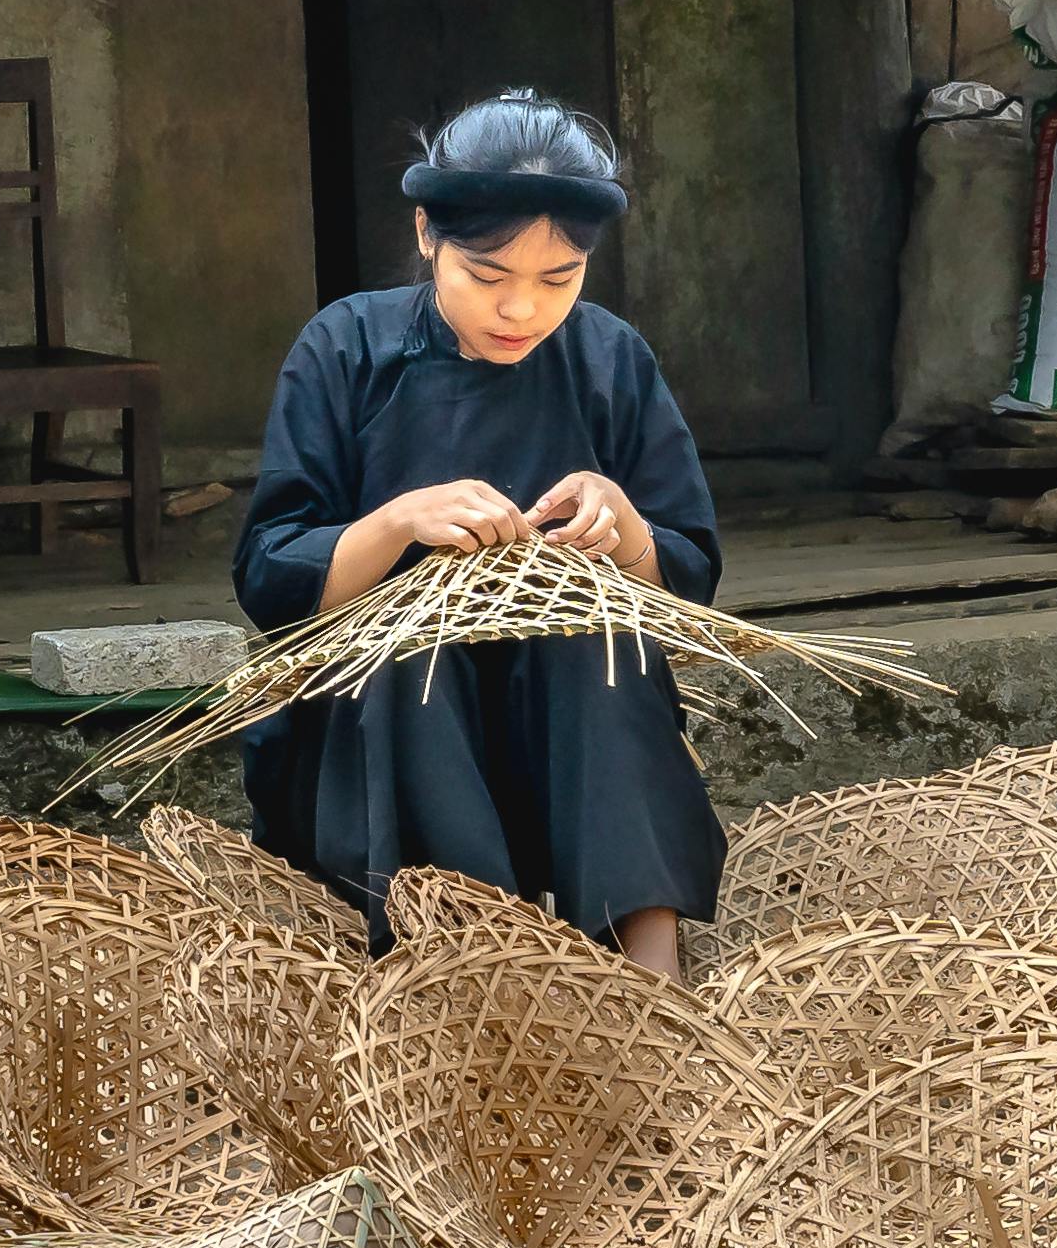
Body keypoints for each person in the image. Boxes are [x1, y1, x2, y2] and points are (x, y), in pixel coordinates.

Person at [232, 92, 722, 972]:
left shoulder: (613, 359)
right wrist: (396, 522)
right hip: (379, 720)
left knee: (593, 639)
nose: (520, 312)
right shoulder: (343, 347)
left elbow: (686, 589)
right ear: (428, 236)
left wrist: (627, 531)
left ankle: (655, 983)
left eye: (558, 280)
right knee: (414, 656)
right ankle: (470, 960)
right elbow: (272, 575)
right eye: (488, 277)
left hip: (568, 727)